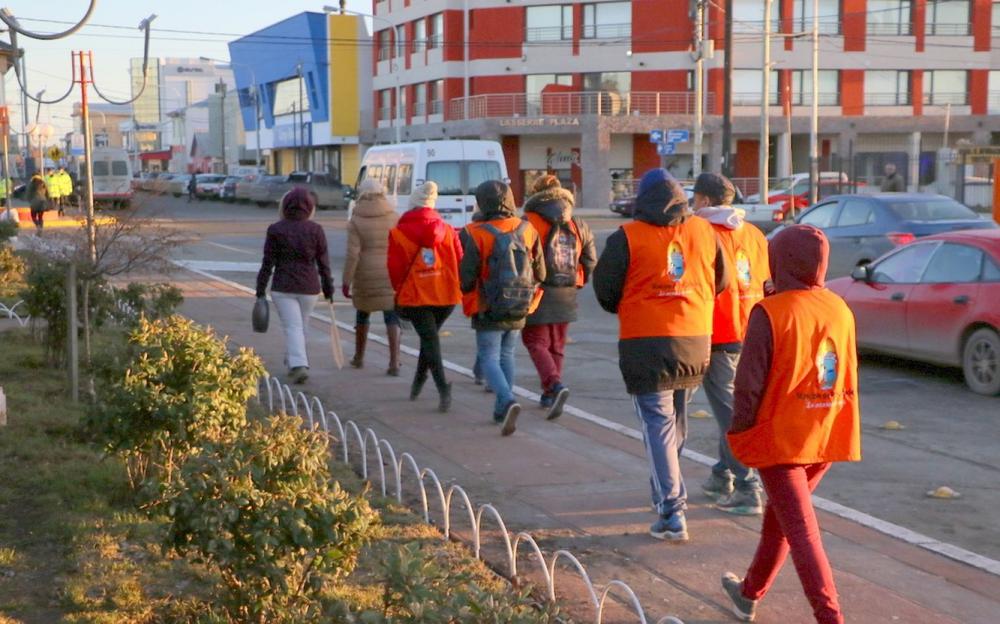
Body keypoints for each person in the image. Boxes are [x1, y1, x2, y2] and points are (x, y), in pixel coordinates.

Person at [721, 224, 860, 624]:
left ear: (778, 261)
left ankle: (830, 616)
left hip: (781, 439)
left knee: (800, 531)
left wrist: (739, 435)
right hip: (825, 432)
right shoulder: (839, 307)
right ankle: (748, 594)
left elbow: (747, 386)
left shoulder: (770, 312)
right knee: (780, 521)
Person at [594, 168, 728, 541]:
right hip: (695, 338)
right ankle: (665, 491)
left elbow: (605, 290)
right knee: (674, 421)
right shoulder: (704, 231)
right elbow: (723, 281)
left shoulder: (628, 237)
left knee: (657, 423)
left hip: (646, 342)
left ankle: (671, 509)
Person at [691, 173, 770, 516]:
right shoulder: (752, 233)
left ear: (705, 201)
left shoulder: (700, 232)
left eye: (695, 199)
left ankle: (746, 483)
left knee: (729, 412)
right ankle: (721, 474)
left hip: (716, 329)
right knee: (731, 407)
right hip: (749, 328)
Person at [460, 180, 545, 435]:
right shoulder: (527, 229)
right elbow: (541, 271)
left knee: (488, 356)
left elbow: (467, 276)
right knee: (507, 354)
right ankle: (501, 409)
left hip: (488, 304)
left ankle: (507, 399)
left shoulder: (474, 232)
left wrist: (468, 292)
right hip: (520, 302)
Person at [521, 174, 596, 419]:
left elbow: (521, 257)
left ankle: (553, 384)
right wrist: (578, 280)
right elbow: (590, 259)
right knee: (557, 344)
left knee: (534, 340)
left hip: (538, 288)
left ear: (535, 193)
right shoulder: (577, 222)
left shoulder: (529, 220)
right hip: (568, 289)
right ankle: (549, 392)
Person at [387, 181, 463, 412]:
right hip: (446, 295)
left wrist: (398, 290)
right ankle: (418, 382)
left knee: (430, 339)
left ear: (411, 206)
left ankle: (443, 388)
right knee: (429, 339)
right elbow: (460, 259)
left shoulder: (399, 233)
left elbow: (394, 268)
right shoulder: (448, 230)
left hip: (416, 295)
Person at [255, 188, 334, 384]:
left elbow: (268, 263)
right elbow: (323, 263)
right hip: (309, 288)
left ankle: (298, 365)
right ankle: (294, 359)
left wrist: (260, 290)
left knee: (293, 326)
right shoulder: (315, 230)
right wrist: (328, 288)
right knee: (300, 326)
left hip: (283, 286)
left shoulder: (276, 229)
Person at [342, 177, 401, 375]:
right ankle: (394, 361)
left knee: (362, 314)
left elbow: (352, 254)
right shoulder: (393, 216)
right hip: (390, 272)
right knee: (392, 316)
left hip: (365, 274)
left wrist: (346, 281)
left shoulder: (356, 220)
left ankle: (359, 357)